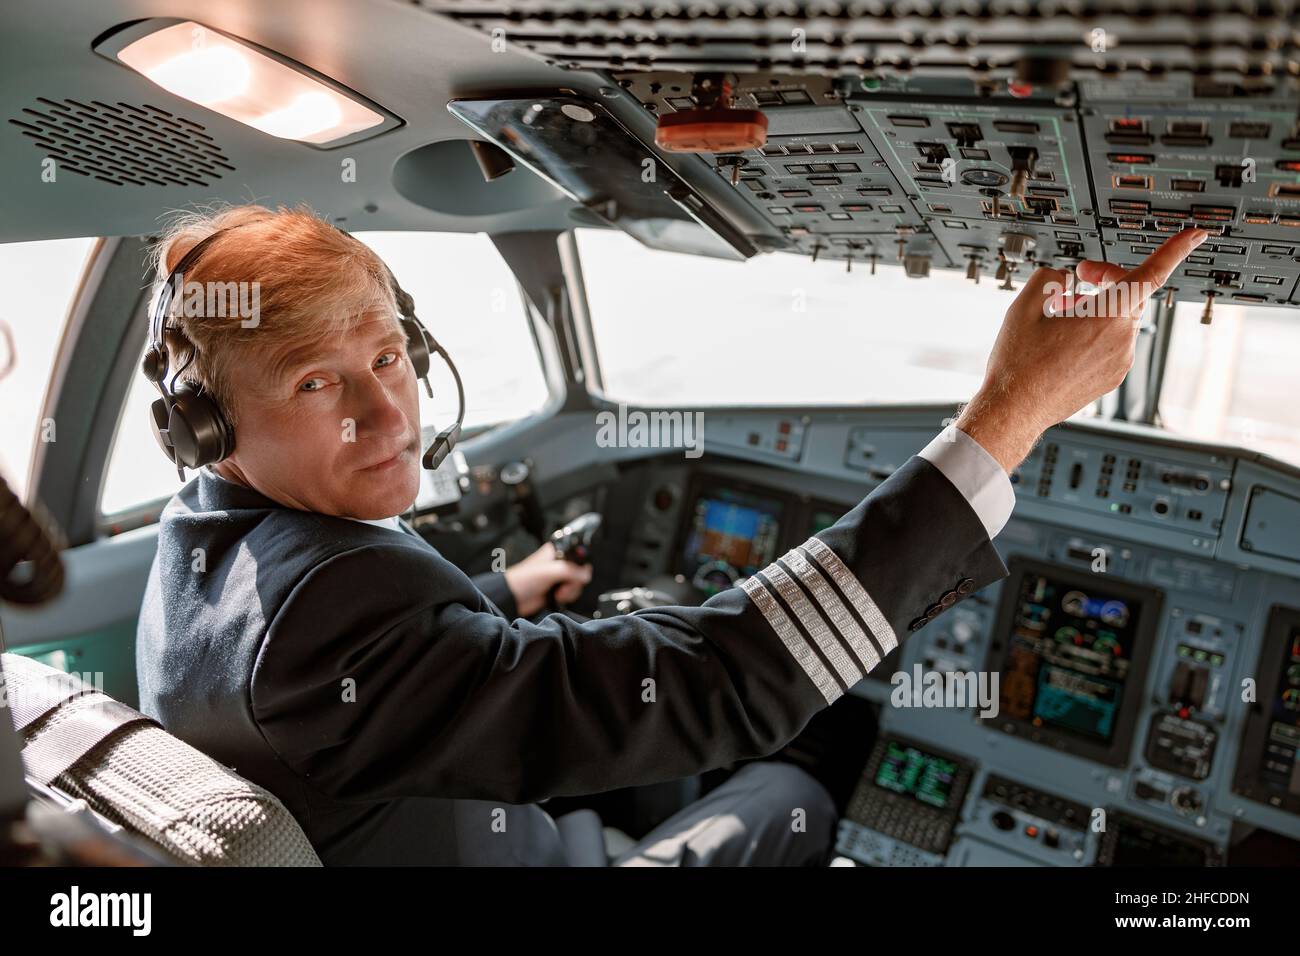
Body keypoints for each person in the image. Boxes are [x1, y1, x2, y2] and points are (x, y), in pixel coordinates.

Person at [134, 203, 1207, 865]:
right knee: (790, 784)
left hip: (439, 817)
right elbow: (718, 679)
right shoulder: (328, 620)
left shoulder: (201, 544)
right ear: (207, 423)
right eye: (314, 381)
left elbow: (400, 670)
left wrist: (514, 591)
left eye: (385, 355)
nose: (387, 413)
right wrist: (1008, 412)